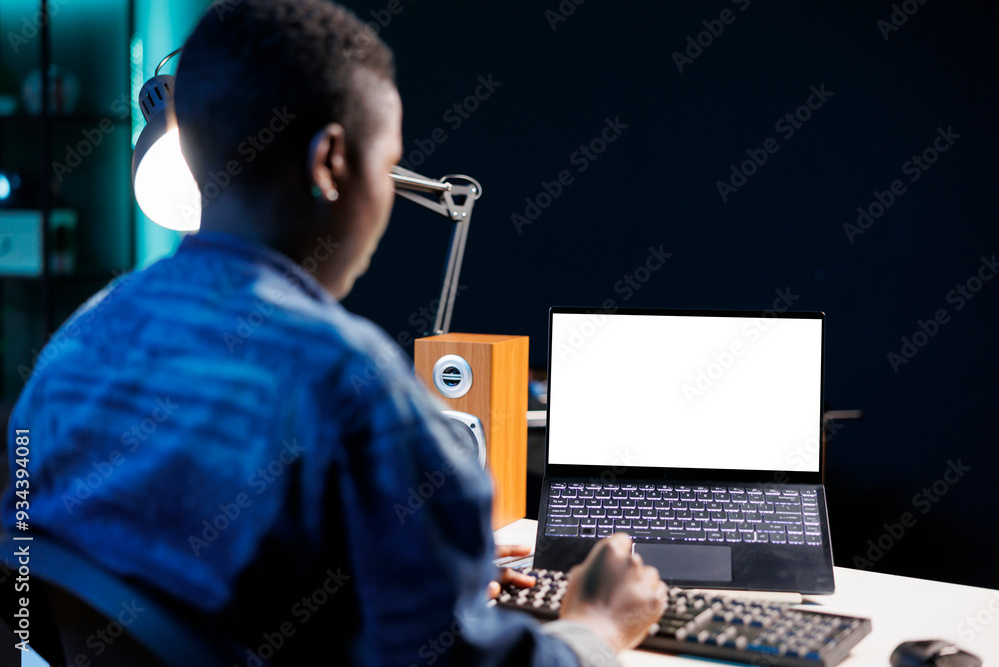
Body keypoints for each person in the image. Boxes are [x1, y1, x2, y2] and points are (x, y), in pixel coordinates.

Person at [2, 1, 666, 664]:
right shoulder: (349, 380)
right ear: (331, 161)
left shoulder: (72, 349)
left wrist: (406, 558)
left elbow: (37, 590)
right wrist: (597, 626)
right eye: (389, 161)